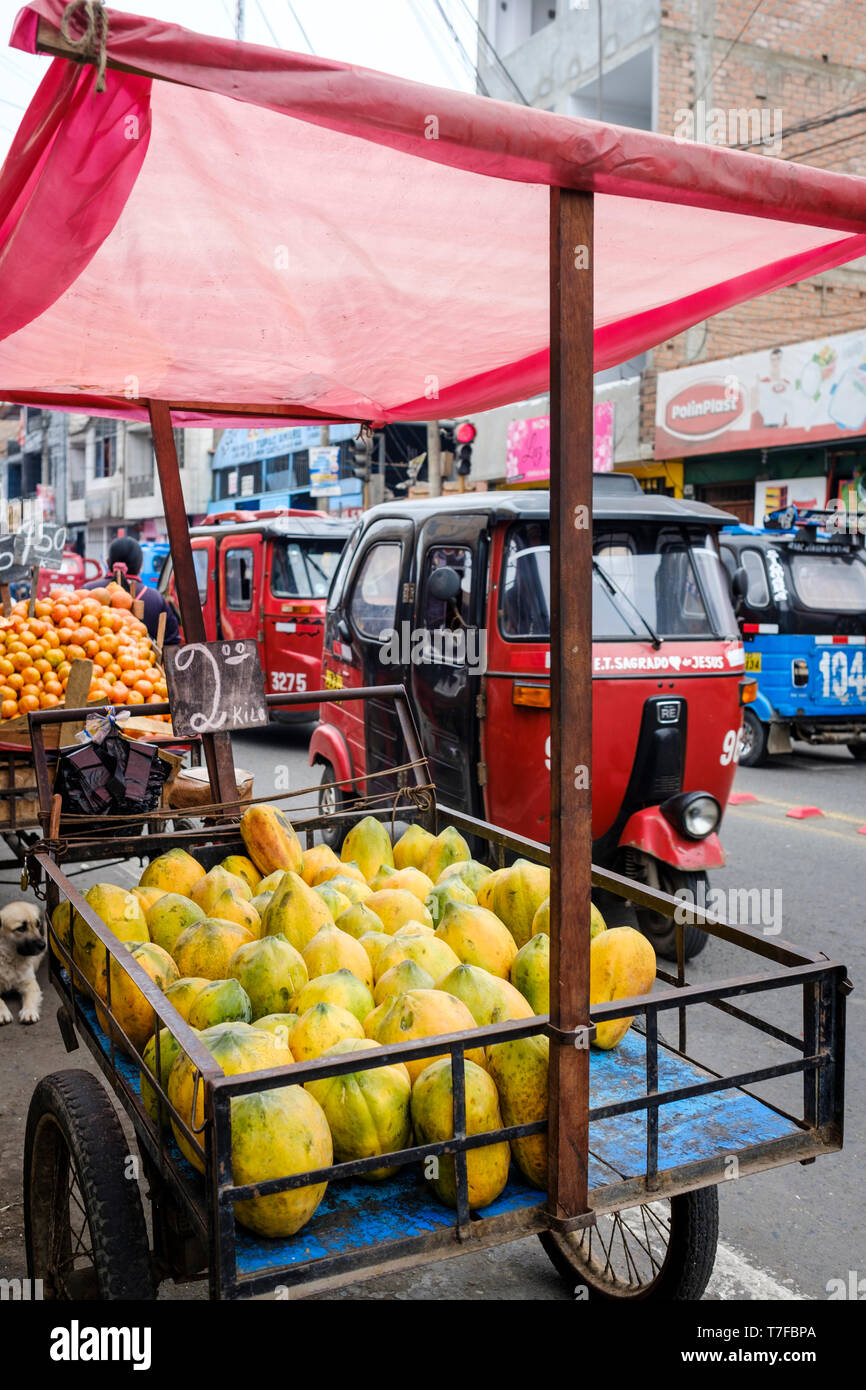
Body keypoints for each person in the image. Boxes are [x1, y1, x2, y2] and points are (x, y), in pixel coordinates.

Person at [84, 536, 180, 645]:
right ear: (141, 566)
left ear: (107, 561)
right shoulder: (155, 599)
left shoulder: (87, 591)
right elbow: (172, 641)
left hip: (96, 656)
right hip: (141, 660)